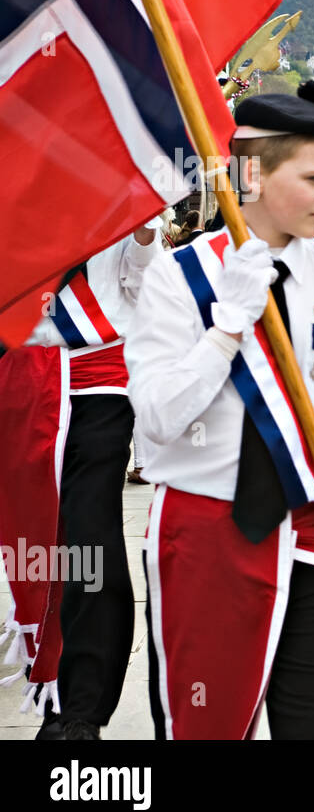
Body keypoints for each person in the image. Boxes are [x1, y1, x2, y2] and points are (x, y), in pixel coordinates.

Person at [127, 84, 314, 739]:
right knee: (205, 724)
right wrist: (224, 328)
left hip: (313, 528)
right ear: (250, 172)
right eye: (313, 177)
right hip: (205, 531)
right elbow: (157, 419)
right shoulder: (180, 278)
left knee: (313, 722)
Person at [0, 225, 161, 740]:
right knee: (35, 532)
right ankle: (45, 667)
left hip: (100, 376)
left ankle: (79, 709)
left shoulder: (116, 177)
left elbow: (144, 286)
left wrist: (142, 237)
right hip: (22, 371)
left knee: (91, 535)